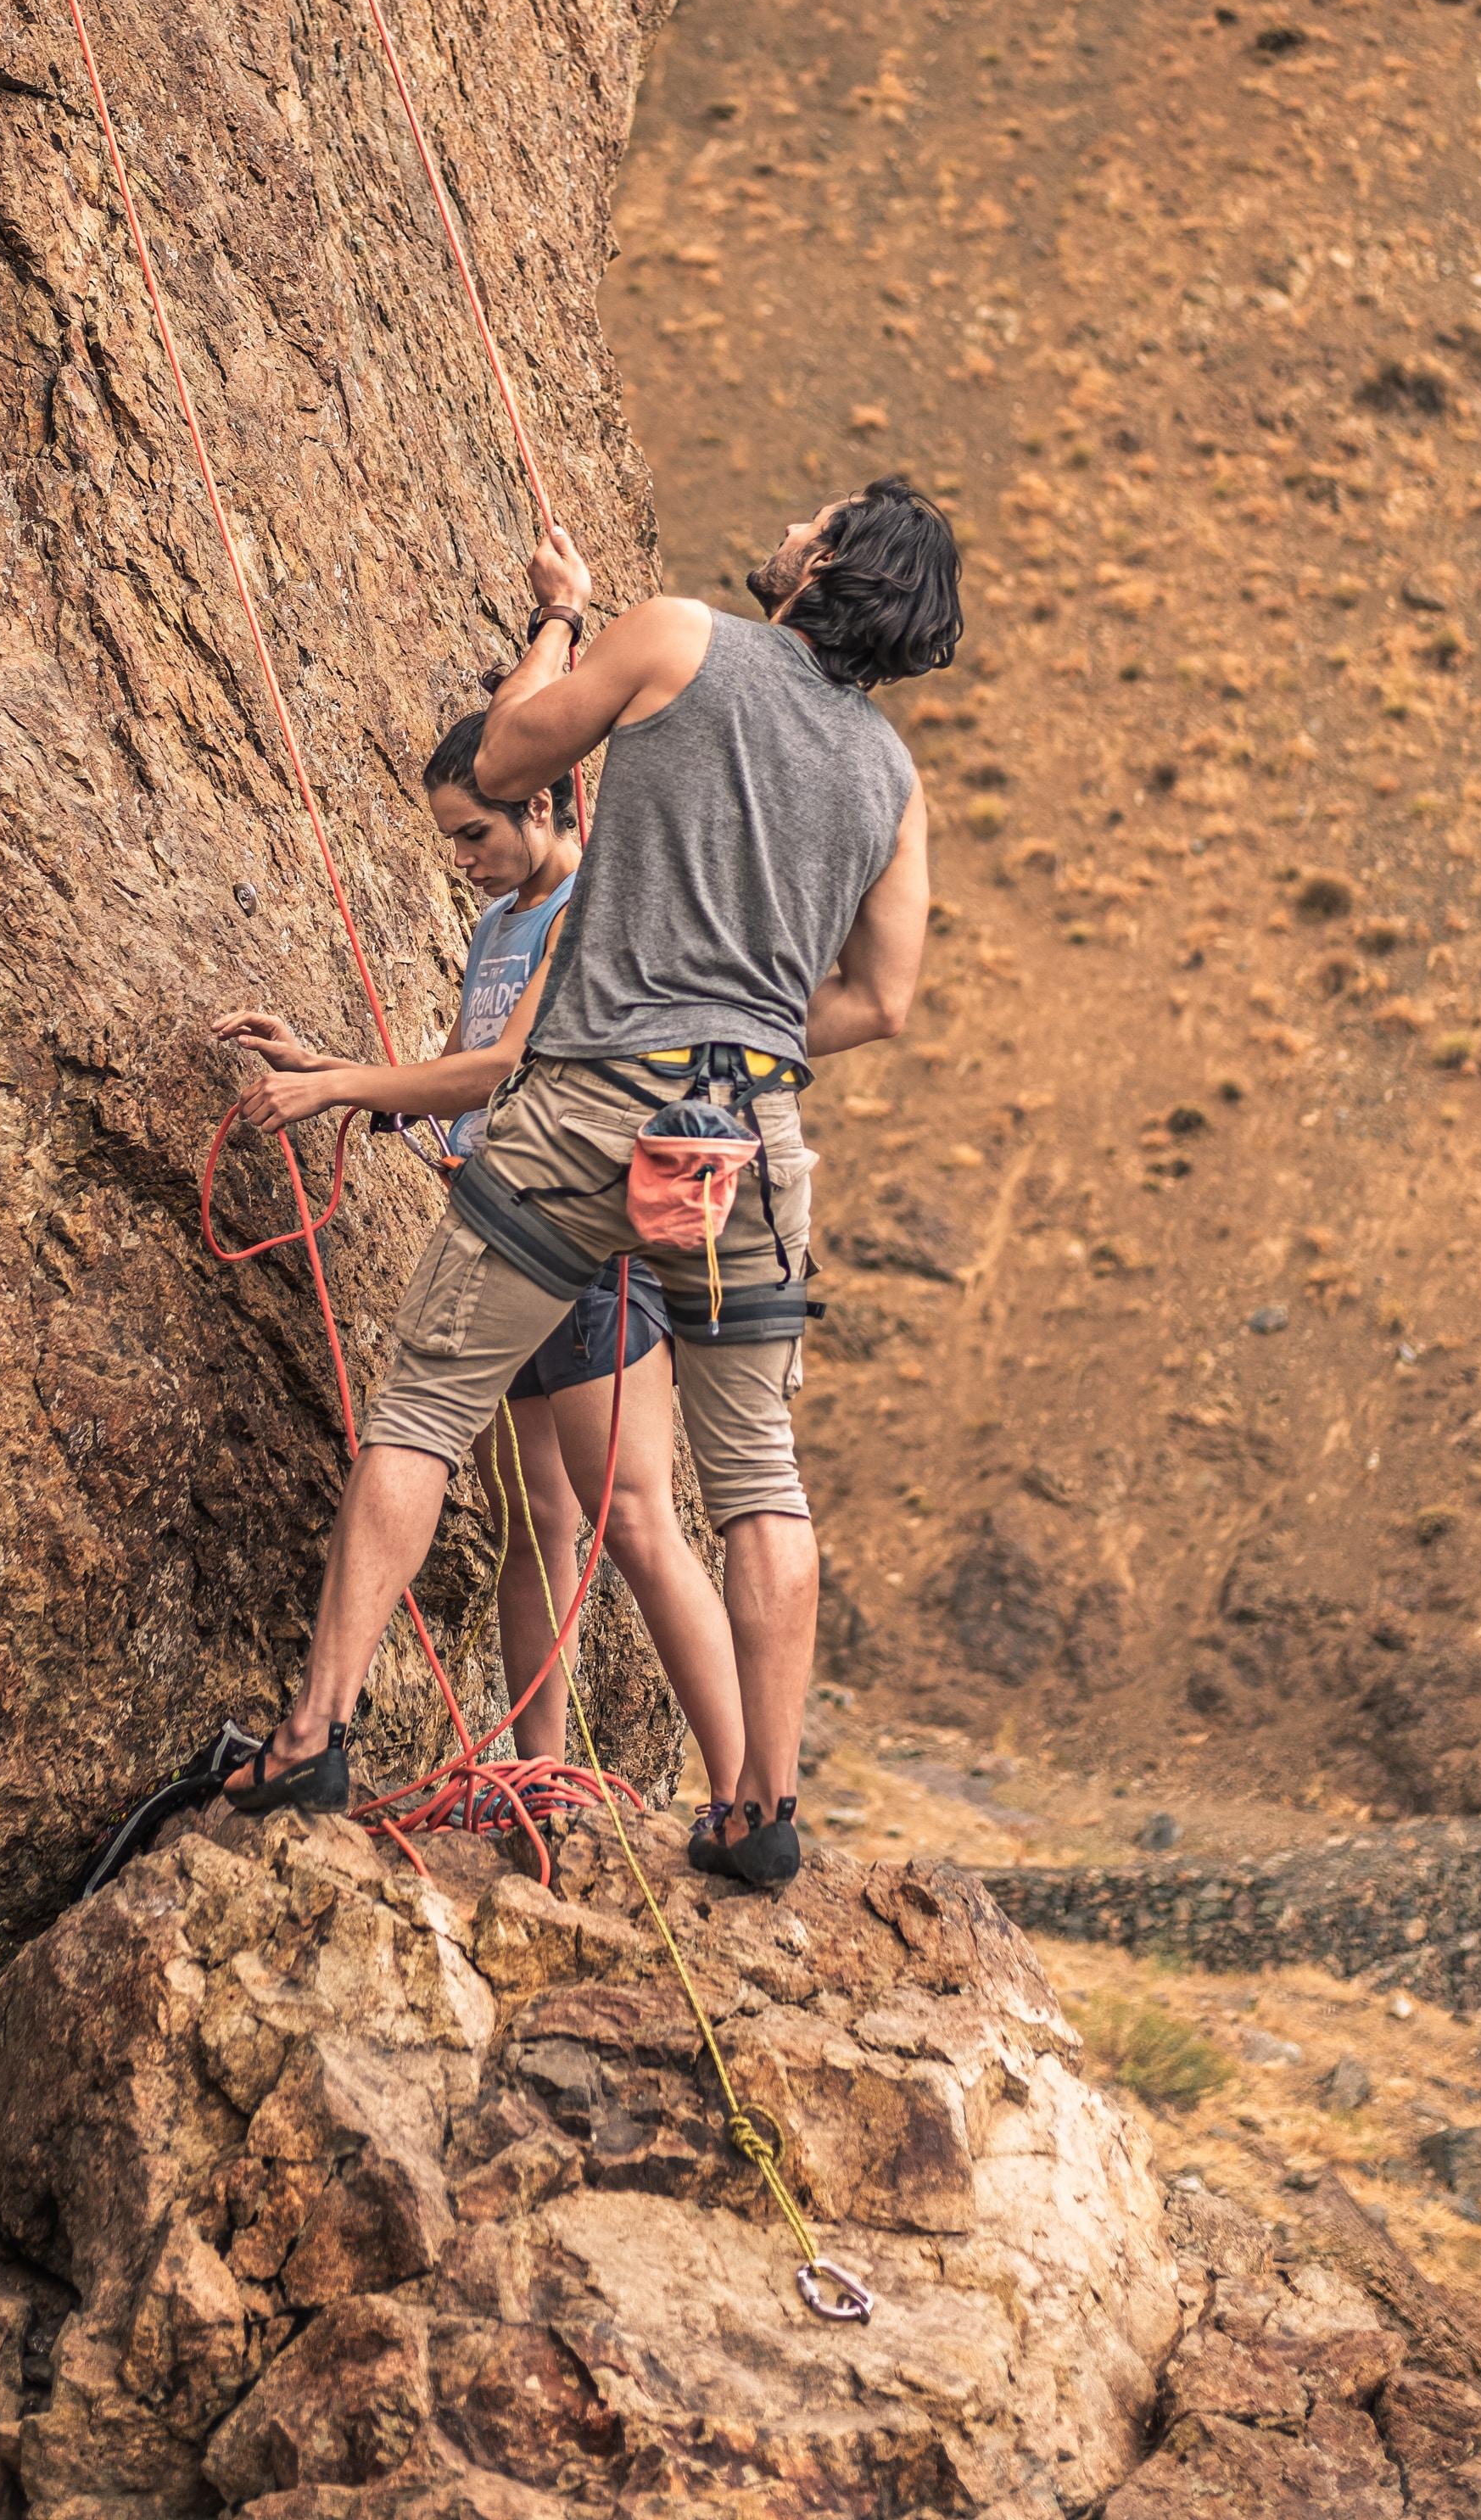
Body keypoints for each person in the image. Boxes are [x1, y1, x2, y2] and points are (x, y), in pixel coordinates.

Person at [223, 473, 957, 1891]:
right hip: (752, 1135)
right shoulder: (891, 779)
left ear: (828, 564)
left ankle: (313, 1735)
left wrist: (557, 618)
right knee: (755, 1478)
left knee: (426, 1406)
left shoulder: (677, 636)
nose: (789, 527)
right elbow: (881, 1002)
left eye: (812, 521)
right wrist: (741, 1030)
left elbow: (507, 755)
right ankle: (760, 1809)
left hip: (592, 1105)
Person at [211, 710, 746, 1828]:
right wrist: (331, 1067)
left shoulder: (589, 906)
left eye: (474, 834)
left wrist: (335, 1088)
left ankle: (748, 1794)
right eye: (451, 839)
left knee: (634, 1518)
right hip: (507, 1228)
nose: (462, 860)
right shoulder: (503, 923)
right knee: (535, 1521)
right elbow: (463, 1075)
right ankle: (534, 1783)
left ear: (541, 803)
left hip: (581, 1248)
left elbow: (501, 1068)